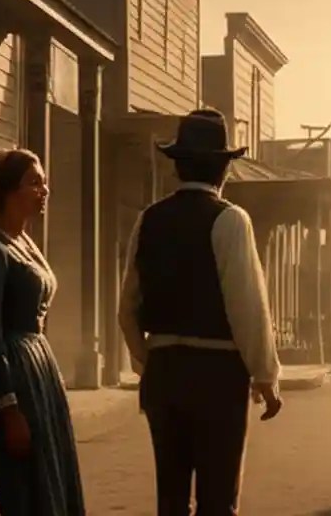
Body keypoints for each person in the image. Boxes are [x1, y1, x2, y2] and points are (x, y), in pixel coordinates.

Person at [118, 108, 284, 516]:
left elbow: (128, 307)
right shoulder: (230, 220)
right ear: (223, 169)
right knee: (217, 498)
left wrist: (147, 360)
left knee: (171, 498)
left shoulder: (149, 219)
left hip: (164, 371)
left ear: (178, 166)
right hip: (217, 375)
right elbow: (247, 306)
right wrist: (265, 375)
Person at [0, 149, 85, 516]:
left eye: (44, 182)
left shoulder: (23, 241)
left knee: (44, 476)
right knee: (14, 482)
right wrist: (7, 406)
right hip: (6, 373)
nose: (43, 190)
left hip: (35, 370)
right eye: (34, 182)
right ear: (10, 189)